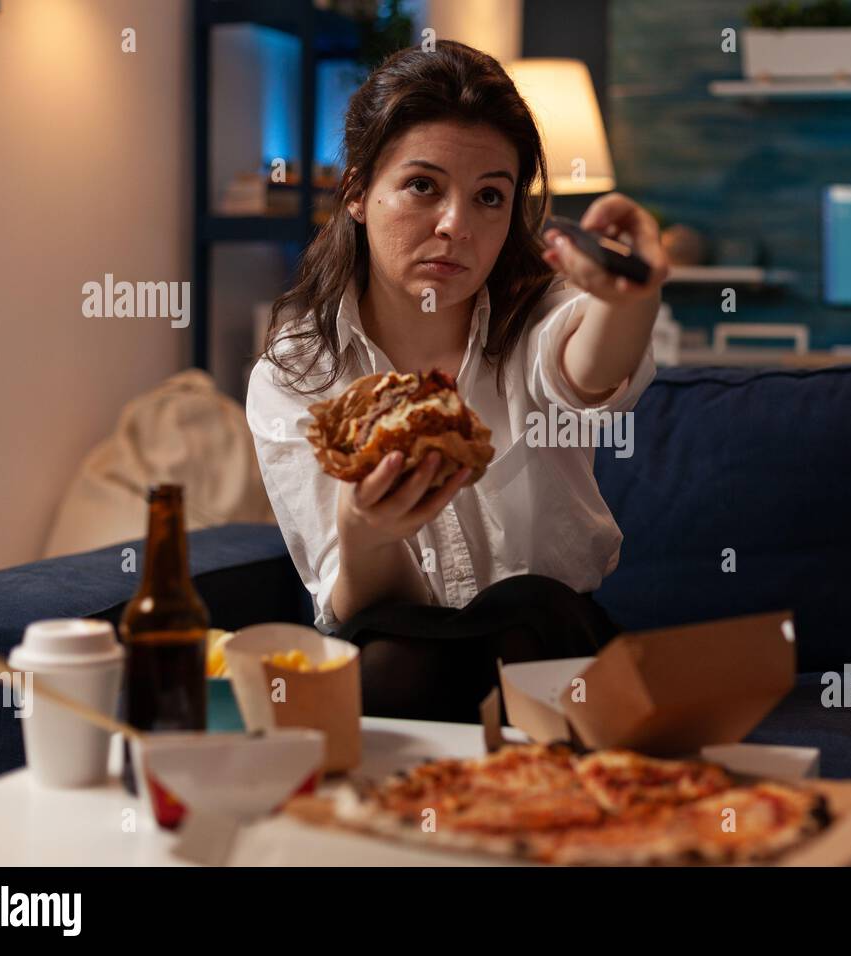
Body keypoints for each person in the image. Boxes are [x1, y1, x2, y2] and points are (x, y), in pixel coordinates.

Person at [245, 39, 668, 723]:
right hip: (404, 656)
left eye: (490, 198)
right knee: (390, 653)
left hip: (551, 645)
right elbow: (366, 609)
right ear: (356, 192)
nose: (456, 226)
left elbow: (586, 369)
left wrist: (630, 297)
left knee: (523, 602)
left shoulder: (538, 318)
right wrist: (365, 530)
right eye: (422, 186)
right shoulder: (298, 372)